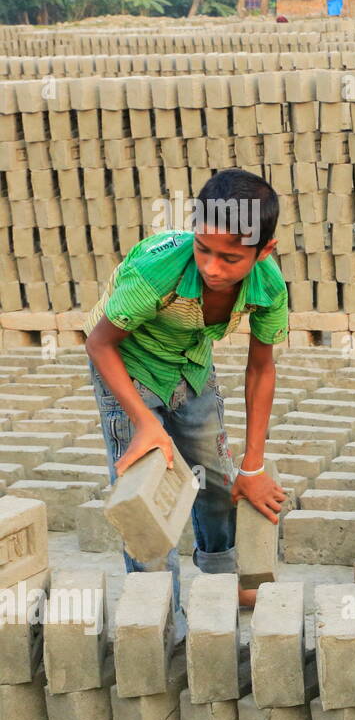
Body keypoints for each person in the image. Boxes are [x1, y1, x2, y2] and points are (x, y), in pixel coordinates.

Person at [85, 168, 290, 633]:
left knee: (218, 481)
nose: (212, 267)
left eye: (230, 258)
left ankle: (221, 581)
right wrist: (144, 423)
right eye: (203, 249)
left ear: (264, 253)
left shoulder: (269, 287)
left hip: (190, 364)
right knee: (147, 496)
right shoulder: (157, 271)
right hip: (128, 368)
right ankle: (158, 614)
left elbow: (261, 367)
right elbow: (100, 344)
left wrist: (253, 466)